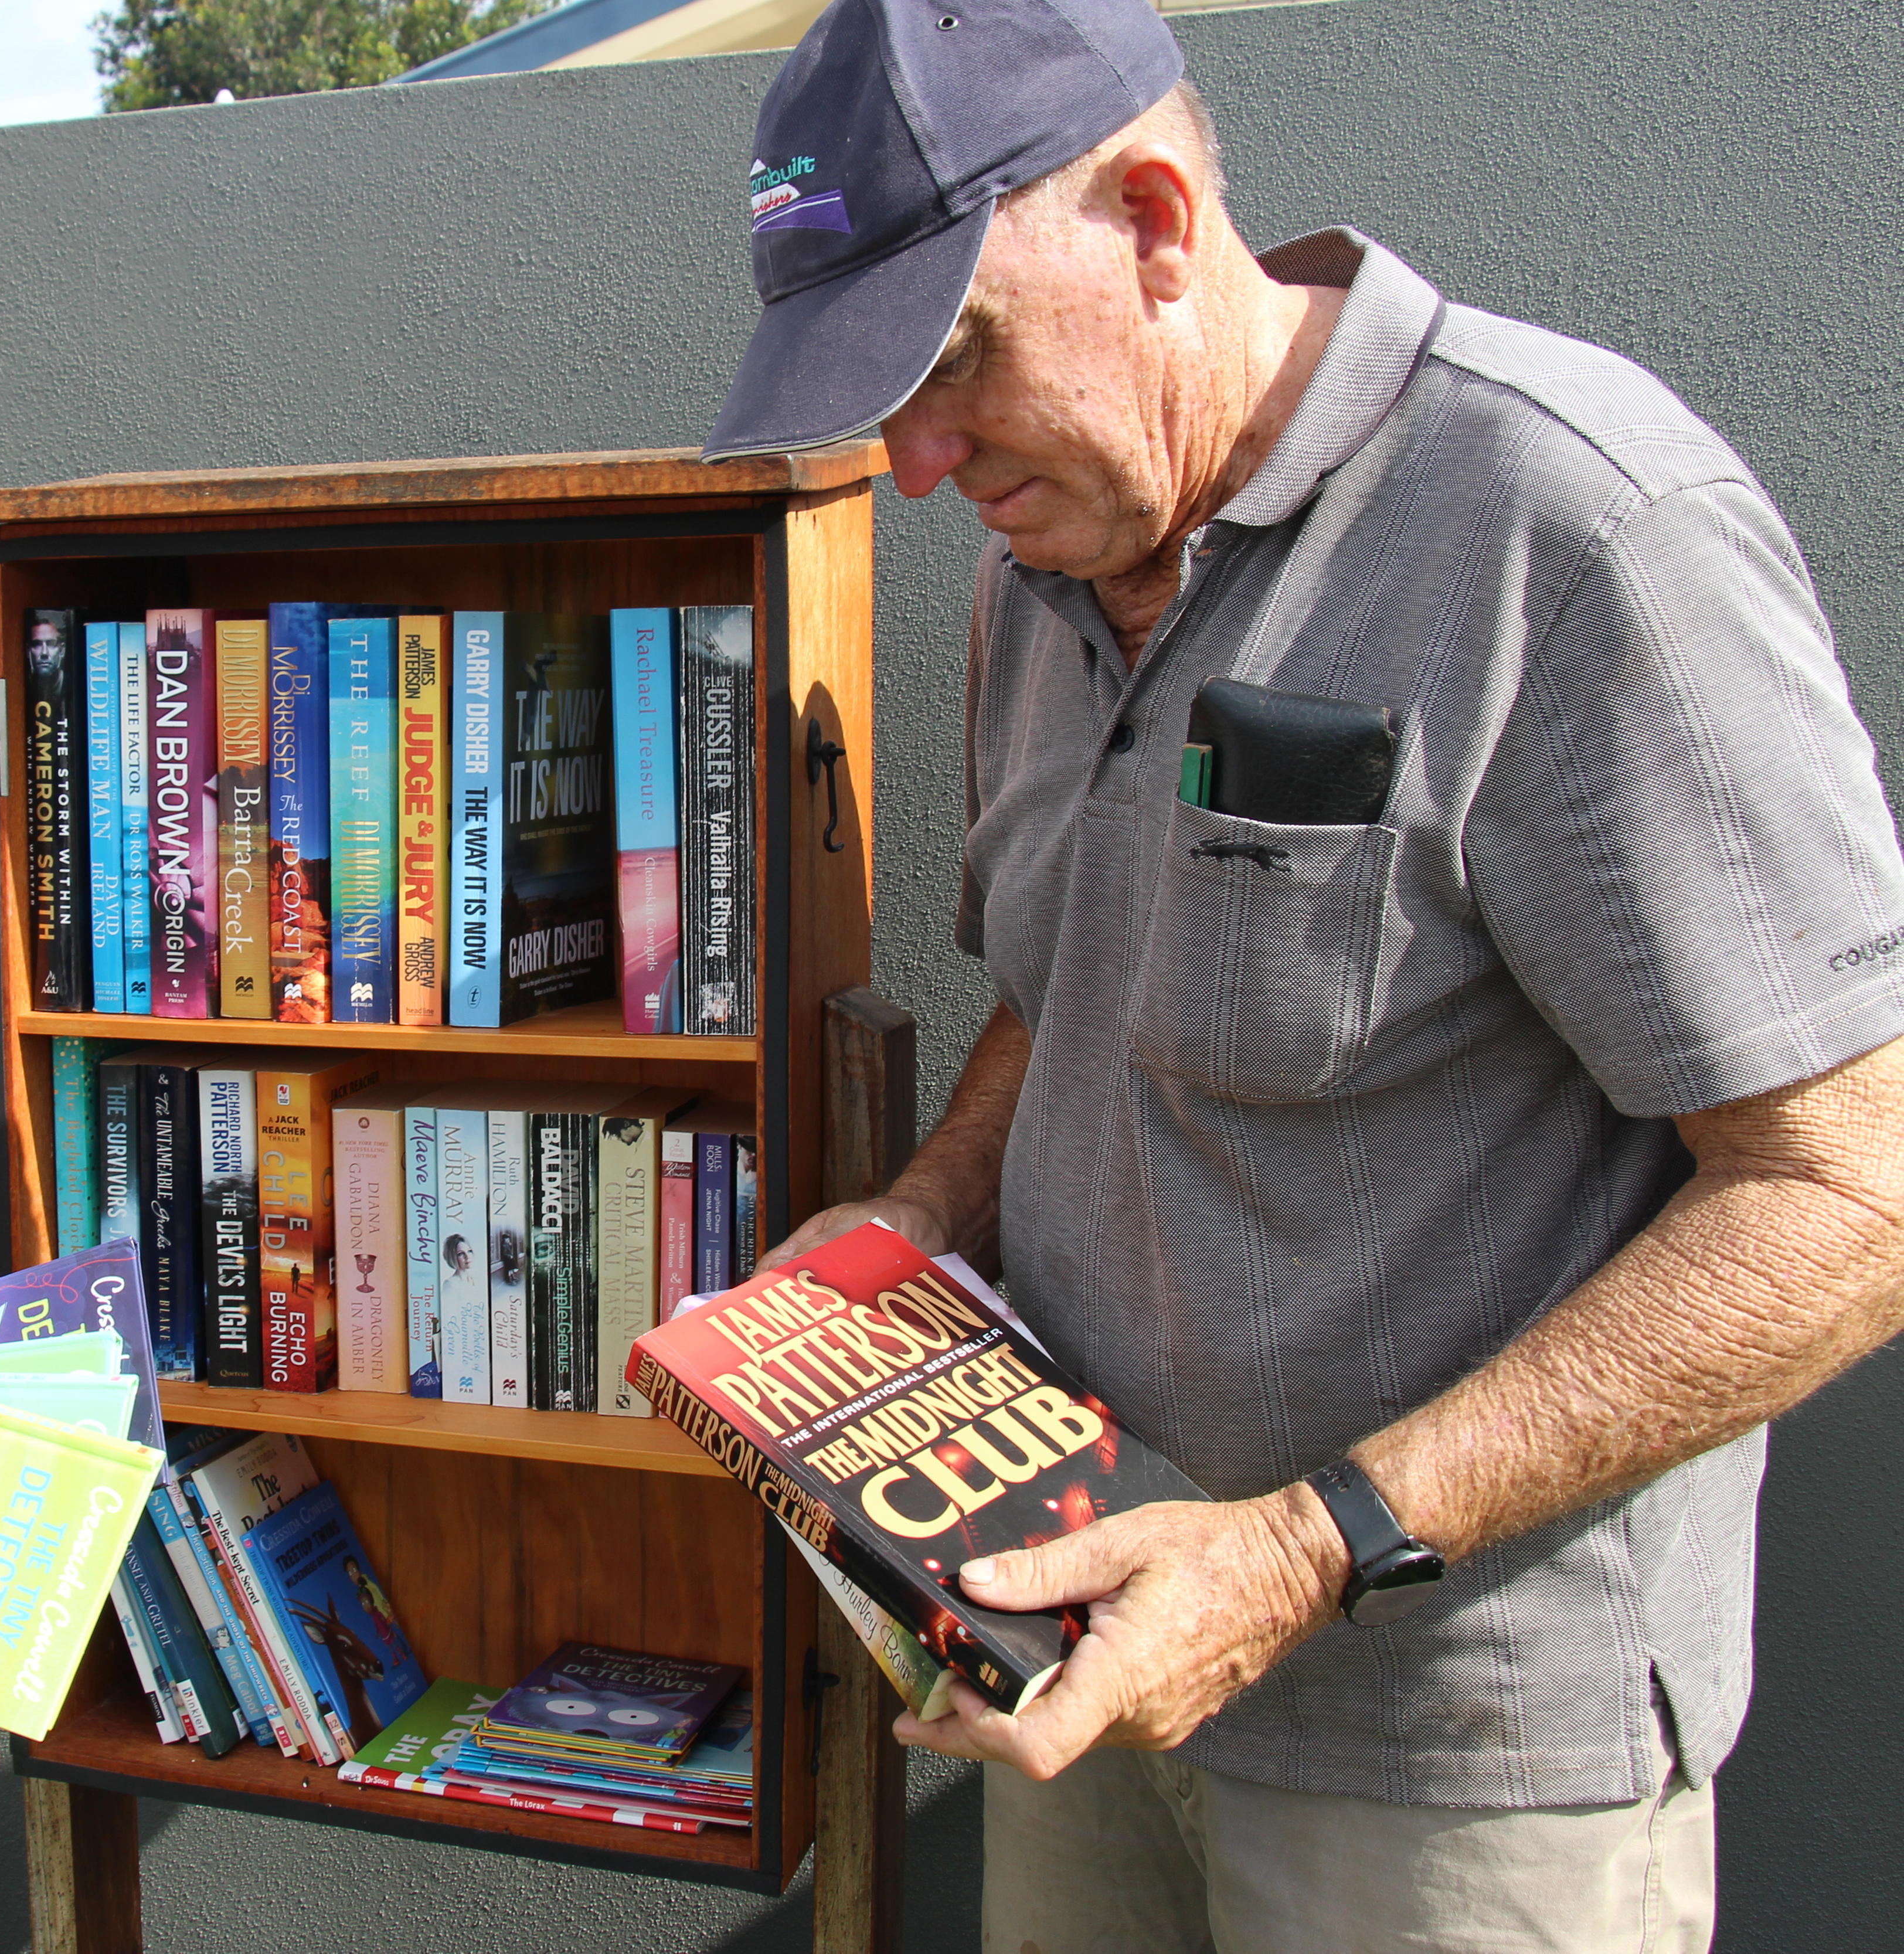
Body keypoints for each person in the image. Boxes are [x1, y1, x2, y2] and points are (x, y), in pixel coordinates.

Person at [709, 1, 1904, 1947]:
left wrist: (1295, 1557)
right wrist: (910, 1234)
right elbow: (1069, 982)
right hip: (1088, 1656)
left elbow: (1855, 1194)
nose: (919, 466)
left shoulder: (1575, 525)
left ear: (1158, 221)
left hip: (1451, 1764)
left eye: (954, 363)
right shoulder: (1040, 576)